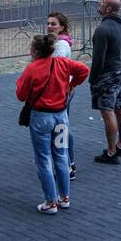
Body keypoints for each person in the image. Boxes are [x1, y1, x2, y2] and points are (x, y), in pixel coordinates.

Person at [16, 33, 89, 214]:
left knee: (43, 159)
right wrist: (72, 86)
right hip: (61, 116)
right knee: (61, 156)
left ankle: (50, 201)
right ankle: (64, 197)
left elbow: (21, 95)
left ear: (35, 51)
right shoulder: (62, 63)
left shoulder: (32, 69)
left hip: (41, 118)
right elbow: (83, 70)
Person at [89, 0, 121, 165]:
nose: (99, 3)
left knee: (107, 111)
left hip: (107, 74)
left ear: (108, 9)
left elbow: (98, 59)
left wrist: (93, 78)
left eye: (102, 3)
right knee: (119, 108)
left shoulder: (103, 29)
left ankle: (111, 152)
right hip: (119, 71)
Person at [46, 11, 78, 180]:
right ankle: (66, 162)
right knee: (61, 125)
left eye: (53, 24)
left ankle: (68, 164)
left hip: (60, 92)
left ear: (62, 27)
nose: (50, 26)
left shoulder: (60, 46)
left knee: (61, 127)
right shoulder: (58, 42)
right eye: (49, 23)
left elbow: (54, 70)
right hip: (62, 90)